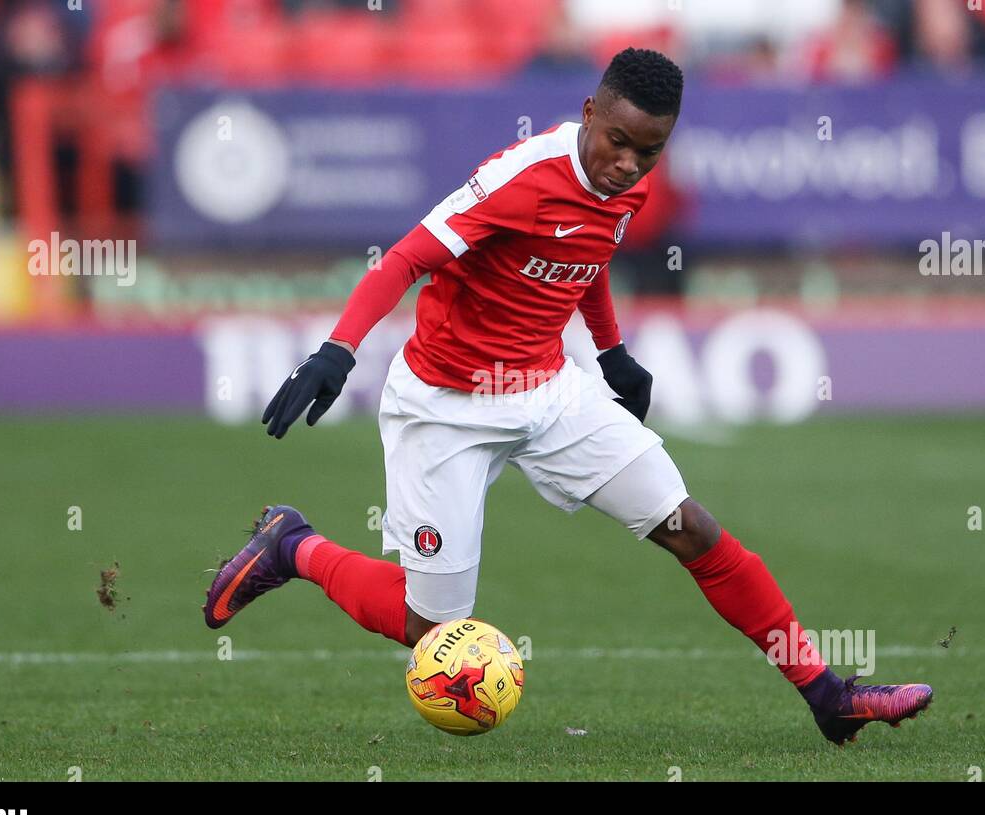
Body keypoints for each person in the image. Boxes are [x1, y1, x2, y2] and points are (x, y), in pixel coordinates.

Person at [202, 47, 932, 745]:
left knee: (690, 528)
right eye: (616, 142)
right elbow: (407, 258)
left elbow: (589, 255)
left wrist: (612, 353)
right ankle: (295, 546)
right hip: (445, 406)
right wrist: (339, 348)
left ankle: (829, 697)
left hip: (550, 391)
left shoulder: (632, 185)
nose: (627, 164)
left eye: (647, 152)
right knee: (431, 628)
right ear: (589, 111)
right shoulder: (522, 176)